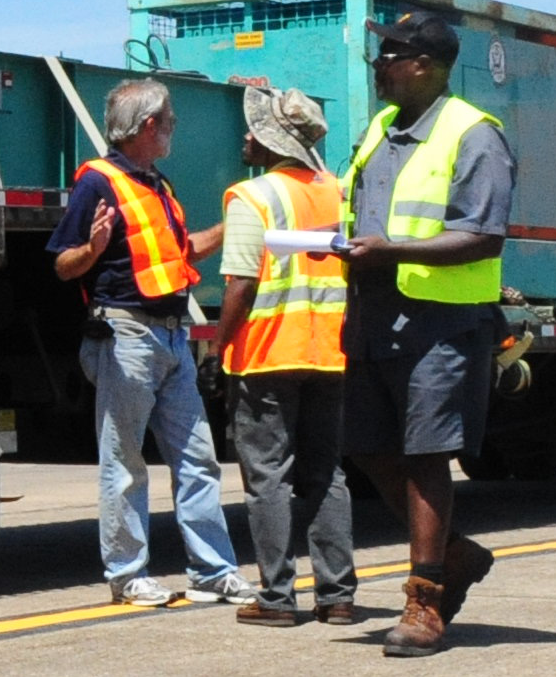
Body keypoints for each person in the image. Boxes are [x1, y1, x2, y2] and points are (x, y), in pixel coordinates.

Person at [342, 9, 515, 658]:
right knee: (365, 447)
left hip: (440, 323)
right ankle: (458, 554)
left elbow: (484, 233)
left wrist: (391, 252)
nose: (378, 65)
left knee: (424, 455)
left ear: (422, 65)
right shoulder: (382, 128)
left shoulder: (475, 135)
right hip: (373, 315)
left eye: (388, 55)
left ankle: (424, 598)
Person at [48, 76, 242, 607]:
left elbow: (183, 254)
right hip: (126, 335)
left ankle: (212, 571)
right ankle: (128, 574)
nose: (173, 130)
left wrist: (234, 225)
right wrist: (93, 247)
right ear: (150, 125)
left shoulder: (157, 184)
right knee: (125, 460)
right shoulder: (97, 183)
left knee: (198, 458)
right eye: (170, 122)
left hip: (172, 336)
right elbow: (65, 266)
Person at [214, 89, 360, 628]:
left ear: (273, 142)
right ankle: (337, 596)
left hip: (268, 353)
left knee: (268, 477)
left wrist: (218, 346)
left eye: (254, 130)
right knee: (326, 472)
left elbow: (241, 286)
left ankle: (276, 597)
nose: (246, 137)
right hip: (328, 353)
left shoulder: (252, 196)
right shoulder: (337, 193)